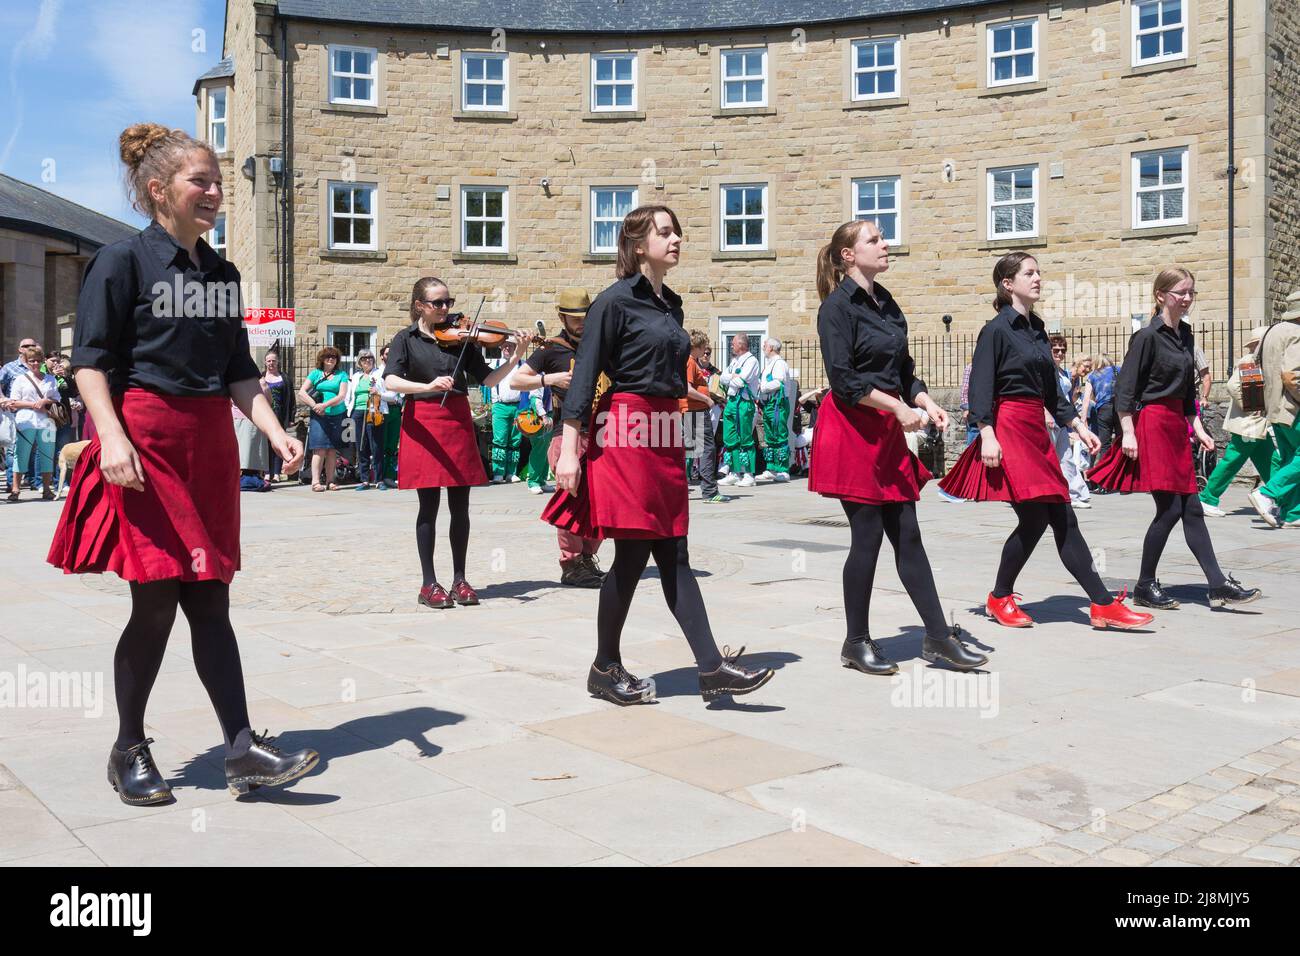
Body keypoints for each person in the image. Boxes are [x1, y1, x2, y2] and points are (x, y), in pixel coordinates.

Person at [47, 122, 317, 805]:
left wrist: (275, 430)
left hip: (210, 445)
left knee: (210, 597)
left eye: (219, 181)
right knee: (157, 599)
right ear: (158, 189)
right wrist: (112, 439)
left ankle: (241, 749)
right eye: (202, 181)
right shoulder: (121, 261)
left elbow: (238, 371)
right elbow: (89, 363)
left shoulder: (223, 275)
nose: (216, 192)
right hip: (147, 440)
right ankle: (128, 748)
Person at [547, 205, 773, 704]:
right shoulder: (613, 302)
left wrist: (696, 397)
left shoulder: (671, 304)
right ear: (637, 244)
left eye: (677, 232)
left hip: (664, 431)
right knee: (641, 553)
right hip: (625, 432)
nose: (676, 240)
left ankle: (692, 668)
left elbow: (666, 375)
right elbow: (585, 374)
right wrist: (570, 449)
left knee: (665, 551)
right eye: (665, 233)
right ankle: (631, 666)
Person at [939, 252, 1154, 630]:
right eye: (1029, 273)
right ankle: (1083, 601)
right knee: (1044, 516)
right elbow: (980, 387)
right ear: (1008, 284)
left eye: (1039, 272)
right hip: (1009, 428)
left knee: (1055, 516)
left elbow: (1052, 392)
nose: (1038, 278)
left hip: (1037, 431)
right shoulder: (995, 330)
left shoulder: (1037, 329)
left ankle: (1086, 602)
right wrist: (986, 434)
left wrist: (1078, 426)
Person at [811, 220, 987, 674]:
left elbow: (903, 367)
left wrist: (924, 400)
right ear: (849, 255)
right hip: (853, 428)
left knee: (908, 533)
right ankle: (855, 642)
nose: (884, 243)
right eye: (873, 240)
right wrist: (896, 407)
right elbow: (844, 381)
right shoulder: (836, 308)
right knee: (867, 536)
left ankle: (938, 637)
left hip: (887, 427)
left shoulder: (885, 301)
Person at [1089, 267, 1260, 609]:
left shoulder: (1186, 335)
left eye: (1191, 292)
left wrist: (1198, 429)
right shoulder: (1146, 337)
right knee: (1169, 509)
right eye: (1180, 292)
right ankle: (1145, 585)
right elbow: (1126, 389)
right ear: (1161, 295)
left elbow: (1186, 394)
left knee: (1192, 509)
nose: (1187, 298)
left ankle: (1216, 584)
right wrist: (1127, 432)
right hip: (1152, 424)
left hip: (1176, 427)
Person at [383, 277, 526, 608]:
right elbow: (390, 380)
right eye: (438, 303)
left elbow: (488, 379)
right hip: (424, 420)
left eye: (448, 302)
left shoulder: (461, 339)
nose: (446, 309)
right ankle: (428, 583)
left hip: (457, 419)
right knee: (428, 506)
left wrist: (515, 356)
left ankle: (460, 579)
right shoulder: (405, 339)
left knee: (460, 506)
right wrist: (428, 386)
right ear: (420, 305)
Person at [510, 289, 606, 587]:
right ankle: (571, 563)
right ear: (562, 318)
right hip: (566, 434)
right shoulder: (552, 349)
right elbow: (516, 380)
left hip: (601, 432)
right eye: (575, 318)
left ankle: (587, 558)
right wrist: (549, 379)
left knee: (601, 500)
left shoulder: (601, 346)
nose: (581, 323)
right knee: (571, 498)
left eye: (585, 317)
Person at [1200, 327, 1275, 517]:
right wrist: (1251, 405)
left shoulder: (1258, 360)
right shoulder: (1251, 361)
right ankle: (1207, 498)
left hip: (1254, 424)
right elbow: (1233, 386)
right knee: (1232, 461)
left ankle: (1281, 498)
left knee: (1271, 461)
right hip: (1249, 424)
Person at [1248, 290, 1300, 529]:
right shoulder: (1297, 333)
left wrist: (1260, 404)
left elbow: (1252, 368)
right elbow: (1292, 376)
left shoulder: (1271, 332)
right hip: (1293, 408)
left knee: (1291, 459)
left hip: (1274, 408)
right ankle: (1267, 493)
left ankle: (1292, 513)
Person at [680, 329, 730, 503]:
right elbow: (687, 388)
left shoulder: (689, 361)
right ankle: (709, 491)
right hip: (695, 410)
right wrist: (707, 400)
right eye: (704, 348)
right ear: (698, 346)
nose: (705, 352)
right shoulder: (690, 362)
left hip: (691, 410)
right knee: (707, 449)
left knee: (692, 450)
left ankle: (688, 486)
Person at [7, 345, 60, 502]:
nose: (35, 363)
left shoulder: (50, 379)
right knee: (21, 454)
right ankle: (15, 489)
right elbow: (14, 402)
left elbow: (57, 398)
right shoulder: (20, 379)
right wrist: (33, 404)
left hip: (47, 421)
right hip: (26, 421)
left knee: (47, 455)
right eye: (31, 361)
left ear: (42, 361)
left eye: (38, 360)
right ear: (26, 362)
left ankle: (47, 489)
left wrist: (45, 401)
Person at [297, 347, 349, 491]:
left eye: (334, 357)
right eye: (328, 356)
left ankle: (330, 481)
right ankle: (315, 482)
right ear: (322, 359)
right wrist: (315, 406)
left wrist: (325, 405)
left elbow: (342, 395)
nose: (331, 359)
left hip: (337, 415)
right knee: (319, 449)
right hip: (319, 416)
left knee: (332, 450)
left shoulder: (342, 375)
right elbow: (301, 393)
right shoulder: (315, 374)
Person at [1049, 336, 1092, 509]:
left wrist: (1074, 422)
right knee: (1049, 458)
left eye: (1063, 350)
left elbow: (1067, 399)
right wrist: (1047, 415)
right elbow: (1045, 395)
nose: (1060, 353)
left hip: (1062, 420)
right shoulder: (1048, 370)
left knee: (1066, 458)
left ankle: (1075, 494)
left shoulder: (1061, 372)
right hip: (1051, 419)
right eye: (1056, 350)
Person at [718, 334, 761, 487]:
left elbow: (741, 381)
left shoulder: (752, 361)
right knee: (730, 438)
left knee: (745, 438)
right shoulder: (734, 361)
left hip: (744, 401)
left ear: (741, 345)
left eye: (733, 343)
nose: (731, 345)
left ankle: (749, 474)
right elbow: (722, 378)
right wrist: (732, 376)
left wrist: (731, 378)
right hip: (731, 401)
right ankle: (734, 472)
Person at [486, 340, 525, 484]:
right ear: (501, 347)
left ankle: (511, 473)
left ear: (515, 348)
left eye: (510, 345)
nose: (507, 348)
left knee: (515, 440)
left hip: (518, 407)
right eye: (505, 345)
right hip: (500, 406)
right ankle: (498, 473)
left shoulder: (522, 365)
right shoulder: (494, 364)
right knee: (499, 440)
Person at [345, 349, 385, 489]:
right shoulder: (356, 376)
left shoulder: (379, 374)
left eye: (370, 358)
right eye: (364, 358)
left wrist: (377, 392)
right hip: (358, 412)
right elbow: (349, 396)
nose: (367, 360)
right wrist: (348, 410)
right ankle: (365, 480)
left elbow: (387, 391)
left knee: (376, 446)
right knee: (361, 446)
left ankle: (379, 480)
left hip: (374, 411)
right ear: (360, 362)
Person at [755, 337, 792, 483]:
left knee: (780, 435)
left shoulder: (779, 363)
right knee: (770, 436)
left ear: (771, 347)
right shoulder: (770, 364)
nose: (763, 347)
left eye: (765, 345)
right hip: (770, 404)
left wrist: (762, 387)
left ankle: (783, 470)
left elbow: (778, 381)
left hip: (778, 403)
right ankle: (771, 469)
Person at [260, 350, 293, 482]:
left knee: (279, 443)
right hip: (265, 414)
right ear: (265, 362)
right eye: (269, 361)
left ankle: (277, 473)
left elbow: (291, 399)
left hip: (280, 414)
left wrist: (291, 418)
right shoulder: (261, 377)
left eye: (273, 360)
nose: (271, 363)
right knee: (266, 444)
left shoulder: (285, 378)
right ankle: (267, 472)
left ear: (278, 362)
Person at [376, 344, 402, 487]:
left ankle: (389, 476)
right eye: (386, 354)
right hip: (382, 410)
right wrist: (389, 396)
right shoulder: (376, 373)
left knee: (392, 444)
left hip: (396, 410)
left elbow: (398, 394)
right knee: (382, 444)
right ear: (381, 356)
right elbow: (385, 394)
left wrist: (388, 396)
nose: (389, 356)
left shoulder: (398, 371)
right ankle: (380, 476)